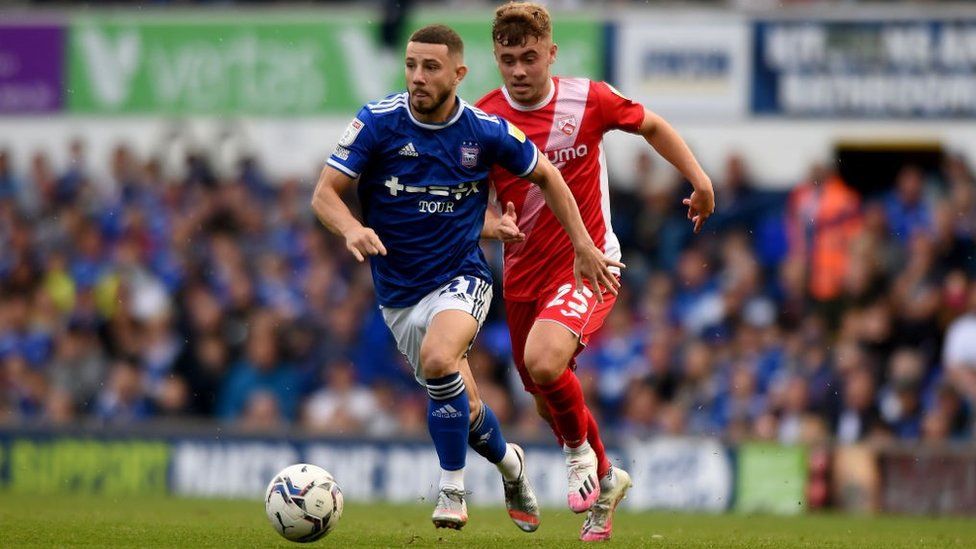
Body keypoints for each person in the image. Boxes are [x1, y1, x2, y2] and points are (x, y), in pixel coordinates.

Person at [311, 24, 621, 531]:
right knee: (468, 408)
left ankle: (452, 490)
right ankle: (511, 465)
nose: (417, 76)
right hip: (399, 294)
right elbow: (325, 192)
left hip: (462, 277)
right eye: (411, 65)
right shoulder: (377, 122)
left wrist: (583, 243)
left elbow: (547, 174)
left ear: (458, 74)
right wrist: (351, 228)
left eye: (431, 67)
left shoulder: (485, 131)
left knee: (440, 359)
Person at [477, 2, 715, 541]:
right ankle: (607, 479)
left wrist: (699, 179)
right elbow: (468, 200)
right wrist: (493, 224)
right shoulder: (483, 119)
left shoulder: (588, 99)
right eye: (508, 59)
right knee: (544, 399)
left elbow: (651, 125)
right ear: (496, 58)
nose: (519, 70)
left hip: (588, 263)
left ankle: (579, 456)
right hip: (522, 277)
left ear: (551, 54)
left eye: (530, 57)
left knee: (544, 362)